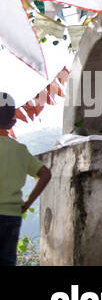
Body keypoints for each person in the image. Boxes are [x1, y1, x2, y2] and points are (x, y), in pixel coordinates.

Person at [0, 92, 50, 267]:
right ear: (12, 122)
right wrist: (28, 202)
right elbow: (45, 174)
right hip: (12, 215)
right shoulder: (20, 150)